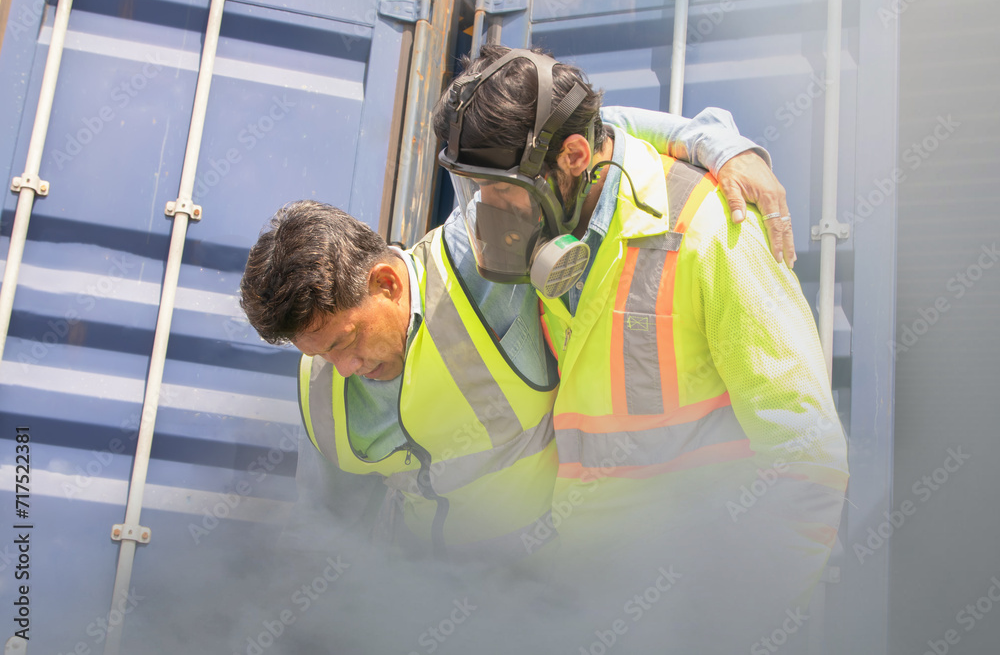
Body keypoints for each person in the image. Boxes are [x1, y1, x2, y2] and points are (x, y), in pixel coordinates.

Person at [239, 96, 791, 563]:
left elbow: (572, 138)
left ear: (385, 282)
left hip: (543, 580)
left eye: (346, 341)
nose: (344, 368)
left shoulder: (479, 259)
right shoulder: (320, 390)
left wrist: (717, 144)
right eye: (319, 353)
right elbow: (325, 530)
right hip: (424, 594)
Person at [432, 45, 849, 649]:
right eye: (472, 189)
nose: (488, 211)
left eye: (498, 190)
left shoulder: (712, 231)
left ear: (575, 158)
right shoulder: (560, 227)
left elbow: (806, 458)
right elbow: (606, 124)